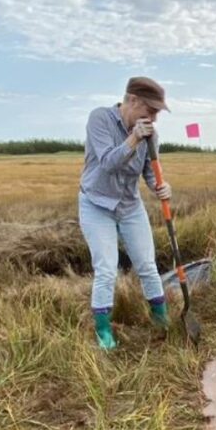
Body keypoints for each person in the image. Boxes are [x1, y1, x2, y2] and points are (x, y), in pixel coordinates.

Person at [78, 76, 173, 350]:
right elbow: (108, 163)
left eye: (156, 113)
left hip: (130, 205)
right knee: (107, 268)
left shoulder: (151, 135)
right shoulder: (100, 119)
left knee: (147, 265)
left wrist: (161, 187)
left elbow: (149, 173)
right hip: (96, 204)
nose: (153, 119)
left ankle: (160, 318)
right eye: (150, 110)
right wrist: (133, 139)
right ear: (132, 101)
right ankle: (104, 330)